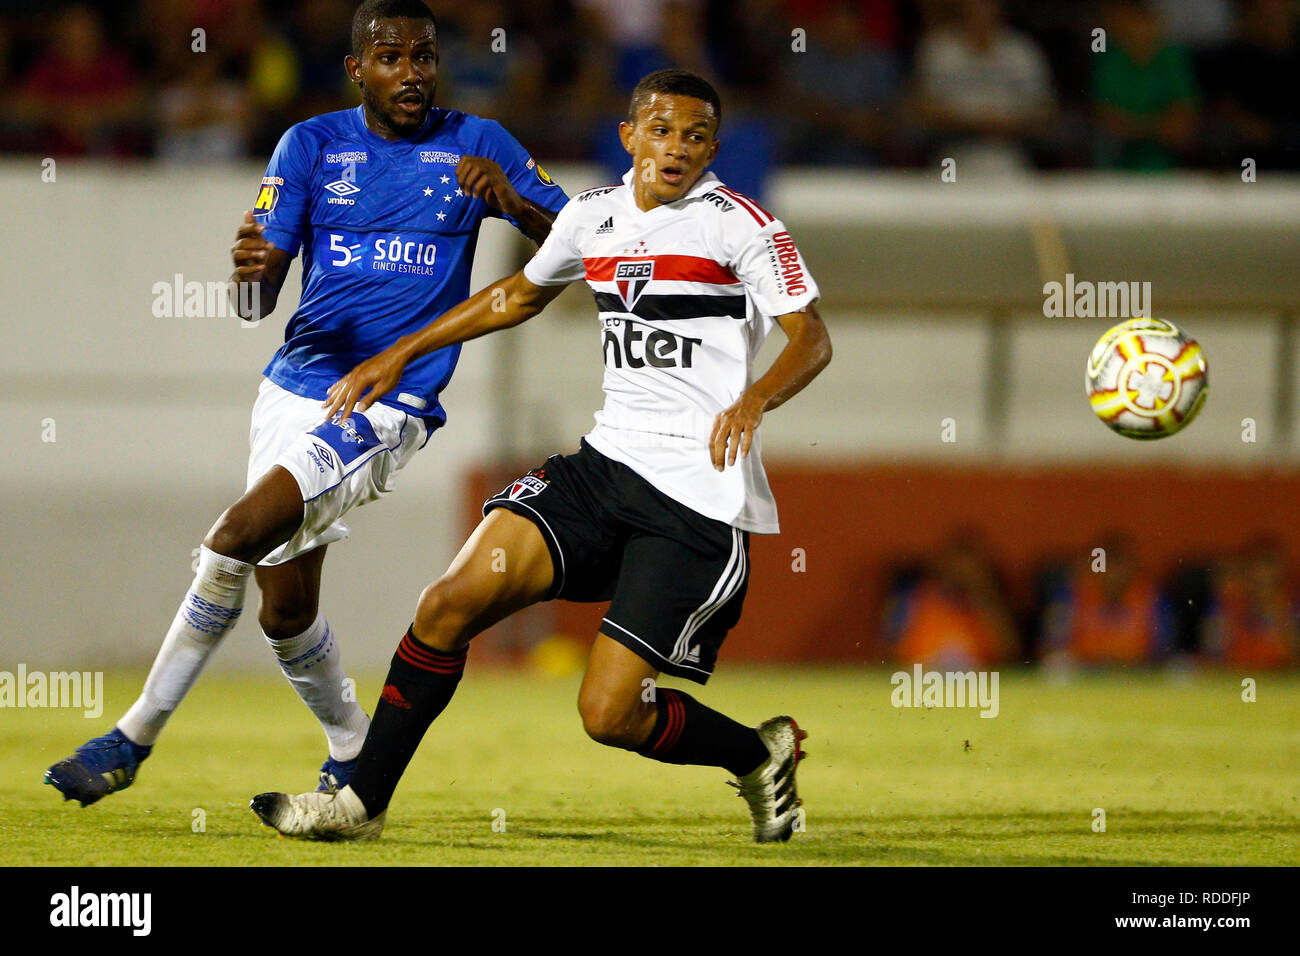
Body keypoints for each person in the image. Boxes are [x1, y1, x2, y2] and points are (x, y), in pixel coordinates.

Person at [250, 68, 832, 843]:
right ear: (629, 136)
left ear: (713, 149)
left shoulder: (742, 226)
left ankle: (757, 754)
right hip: (602, 470)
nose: (676, 148)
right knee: (447, 605)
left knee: (608, 714)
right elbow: (515, 296)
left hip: (696, 495)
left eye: (695, 136)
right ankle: (358, 804)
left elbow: (813, 338)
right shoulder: (593, 216)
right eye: (660, 130)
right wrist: (400, 352)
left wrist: (756, 398)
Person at [44, 0, 567, 807]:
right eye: (391, 58)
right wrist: (248, 272)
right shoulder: (311, 146)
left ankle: (132, 736)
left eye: (424, 57)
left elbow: (577, 252)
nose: (413, 73)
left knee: (234, 535)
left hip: (390, 404)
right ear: (357, 69)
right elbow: (256, 303)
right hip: (293, 389)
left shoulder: (479, 144)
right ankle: (352, 744)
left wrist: (512, 201)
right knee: (284, 612)